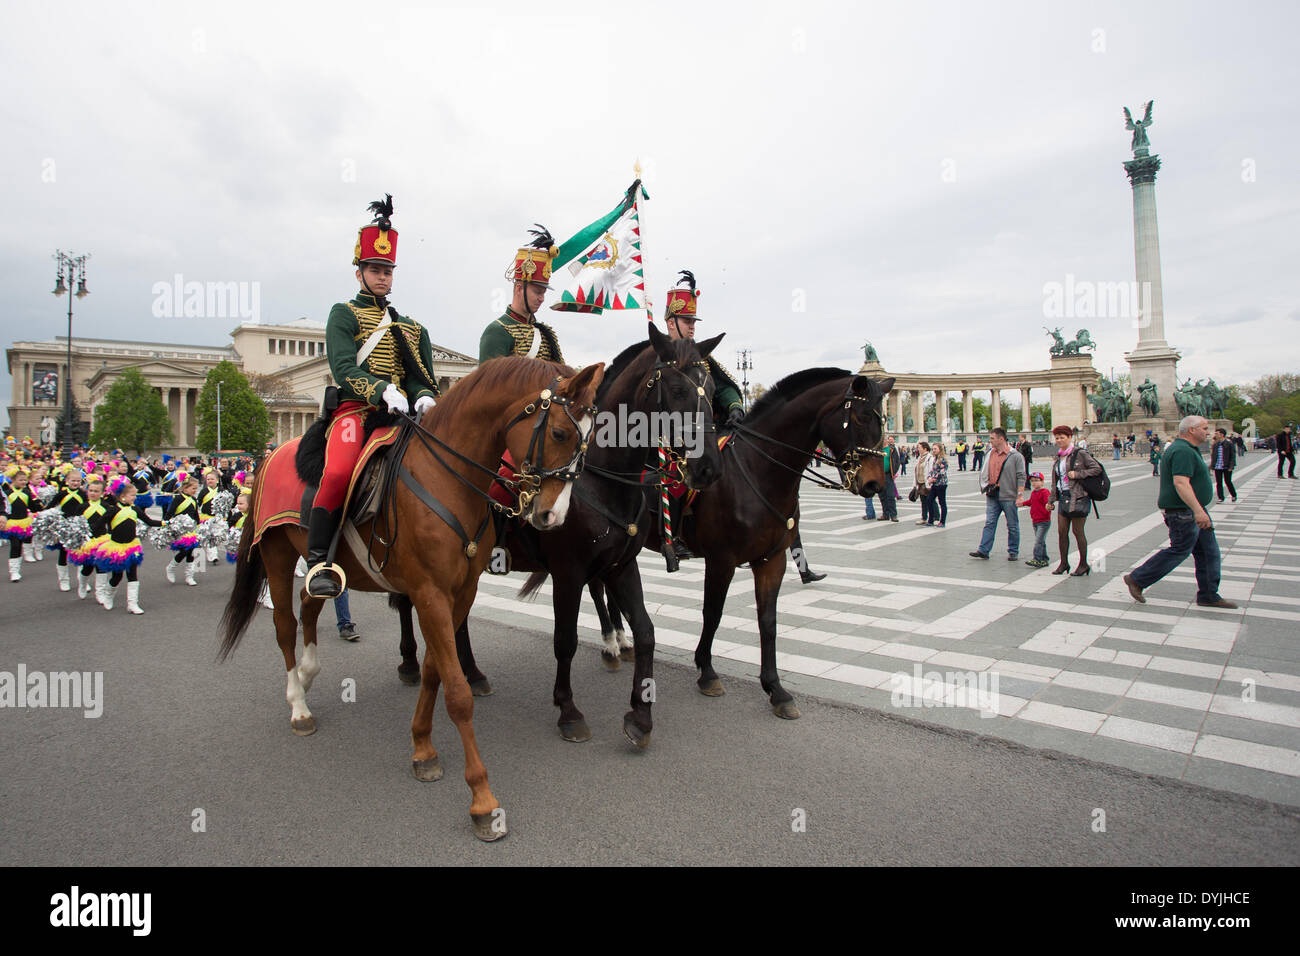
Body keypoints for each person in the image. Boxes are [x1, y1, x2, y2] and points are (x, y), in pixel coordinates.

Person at [306, 196, 440, 599]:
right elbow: (344, 367)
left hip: (402, 418)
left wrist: (424, 397)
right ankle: (318, 562)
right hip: (357, 412)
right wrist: (382, 390)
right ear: (360, 272)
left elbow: (418, 376)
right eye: (375, 270)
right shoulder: (343, 313)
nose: (383, 277)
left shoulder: (409, 326)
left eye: (387, 271)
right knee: (338, 472)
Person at [1123, 416, 1238, 609]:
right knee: (1180, 549)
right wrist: (1198, 511)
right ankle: (1137, 578)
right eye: (1204, 428)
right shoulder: (1182, 450)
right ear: (1191, 430)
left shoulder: (1186, 449)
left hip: (1191, 509)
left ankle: (1209, 594)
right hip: (1184, 511)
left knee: (1209, 553)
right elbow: (1181, 482)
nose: (1208, 432)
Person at [478, 225, 566, 364]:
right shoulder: (497, 331)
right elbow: (488, 384)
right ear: (519, 289)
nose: (541, 299)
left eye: (543, 293)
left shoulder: (545, 334)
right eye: (537, 292)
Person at [93, 482, 160, 613]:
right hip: (116, 548)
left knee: (132, 575)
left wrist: (166, 523)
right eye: (132, 495)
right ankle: (108, 595)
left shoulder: (135, 509)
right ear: (122, 496)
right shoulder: (113, 510)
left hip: (131, 547)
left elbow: (149, 521)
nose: (134, 497)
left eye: (135, 495)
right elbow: (98, 524)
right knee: (117, 576)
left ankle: (132, 604)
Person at [1048, 424, 1101, 576]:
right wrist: (1051, 500)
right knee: (1062, 531)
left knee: (1078, 531)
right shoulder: (1058, 457)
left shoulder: (1080, 453)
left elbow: (1096, 469)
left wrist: (1077, 474)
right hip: (1064, 497)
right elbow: (1055, 481)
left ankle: (1083, 564)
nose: (1058, 440)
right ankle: (1064, 563)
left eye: (1062, 437)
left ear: (1070, 437)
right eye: (1057, 438)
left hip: (1078, 497)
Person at [969, 428, 1026, 561]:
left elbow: (1021, 476)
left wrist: (1020, 494)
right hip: (993, 493)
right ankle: (983, 550)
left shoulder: (1015, 456)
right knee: (989, 522)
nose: (990, 441)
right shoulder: (990, 453)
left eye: (992, 438)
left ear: (1001, 439)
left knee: (1012, 524)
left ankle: (1013, 551)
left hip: (1008, 494)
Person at [164, 474, 202, 586]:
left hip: (192, 529)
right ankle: (171, 567)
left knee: (191, 552)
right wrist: (165, 524)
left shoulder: (194, 499)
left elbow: (195, 514)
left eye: (196, 488)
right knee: (184, 551)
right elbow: (169, 513)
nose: (195, 491)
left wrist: (199, 526)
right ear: (185, 488)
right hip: (180, 529)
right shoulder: (178, 499)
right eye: (193, 488)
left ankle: (189, 576)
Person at [1019, 472, 1053, 568]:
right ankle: (1044, 559)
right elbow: (1031, 502)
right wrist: (1023, 503)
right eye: (1032, 481)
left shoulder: (1045, 492)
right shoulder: (1034, 492)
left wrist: (1049, 506)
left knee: (1038, 541)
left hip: (1044, 521)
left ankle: (1037, 559)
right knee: (1041, 541)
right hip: (1035, 521)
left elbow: (1048, 503)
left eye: (1036, 481)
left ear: (1042, 482)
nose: (1034, 483)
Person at [924, 442, 949, 527]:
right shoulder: (935, 458)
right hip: (935, 484)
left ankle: (942, 522)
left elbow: (942, 472)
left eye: (935, 449)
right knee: (929, 500)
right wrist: (929, 477)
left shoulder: (943, 459)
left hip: (941, 484)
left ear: (940, 450)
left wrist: (933, 479)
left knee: (942, 503)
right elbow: (932, 470)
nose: (933, 450)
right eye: (933, 449)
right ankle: (931, 520)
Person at [1211, 427, 1237, 503]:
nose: (1215, 435)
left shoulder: (1229, 444)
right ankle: (1221, 498)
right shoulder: (1216, 444)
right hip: (1218, 466)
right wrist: (1213, 465)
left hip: (1226, 466)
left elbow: (1232, 455)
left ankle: (1234, 495)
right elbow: (1213, 455)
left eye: (1217, 433)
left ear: (1222, 435)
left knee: (1228, 481)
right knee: (1219, 483)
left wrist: (1231, 466)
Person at [912, 441, 932, 525]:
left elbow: (930, 470)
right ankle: (924, 517)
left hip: (926, 482)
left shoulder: (930, 458)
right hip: (920, 482)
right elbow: (916, 470)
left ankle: (935, 517)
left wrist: (929, 481)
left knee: (930, 501)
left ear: (925, 448)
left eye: (919, 447)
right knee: (923, 501)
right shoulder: (919, 457)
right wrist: (914, 483)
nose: (918, 449)